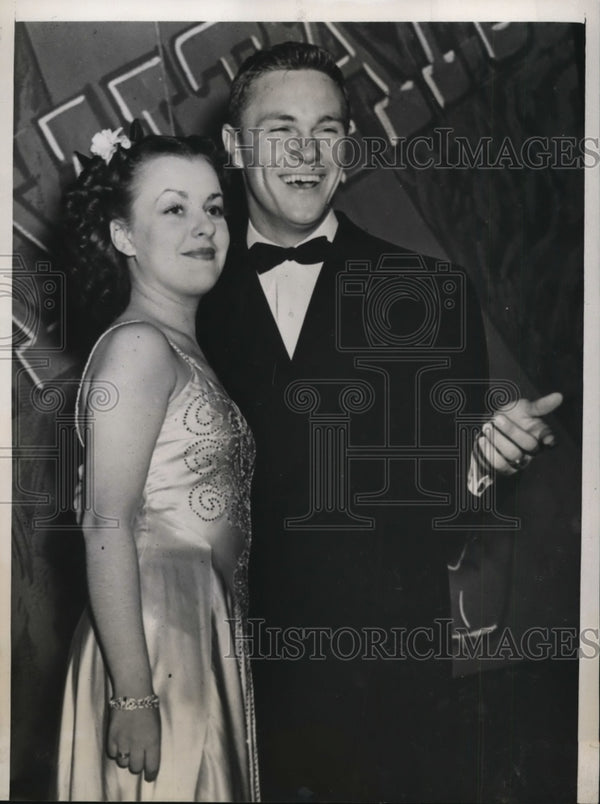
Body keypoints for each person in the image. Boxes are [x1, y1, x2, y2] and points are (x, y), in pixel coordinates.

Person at [196, 41, 563, 802]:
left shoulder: (430, 290)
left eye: (328, 130)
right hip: (219, 685)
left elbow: (448, 516)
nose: (307, 152)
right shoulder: (181, 297)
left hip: (385, 701)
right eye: (281, 130)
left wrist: (484, 464)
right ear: (233, 148)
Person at [55, 125, 260, 802]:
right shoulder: (140, 345)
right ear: (122, 236)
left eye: (214, 207)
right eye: (174, 208)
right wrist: (136, 696)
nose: (204, 227)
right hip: (153, 634)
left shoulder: (176, 347)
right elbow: (106, 520)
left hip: (193, 626)